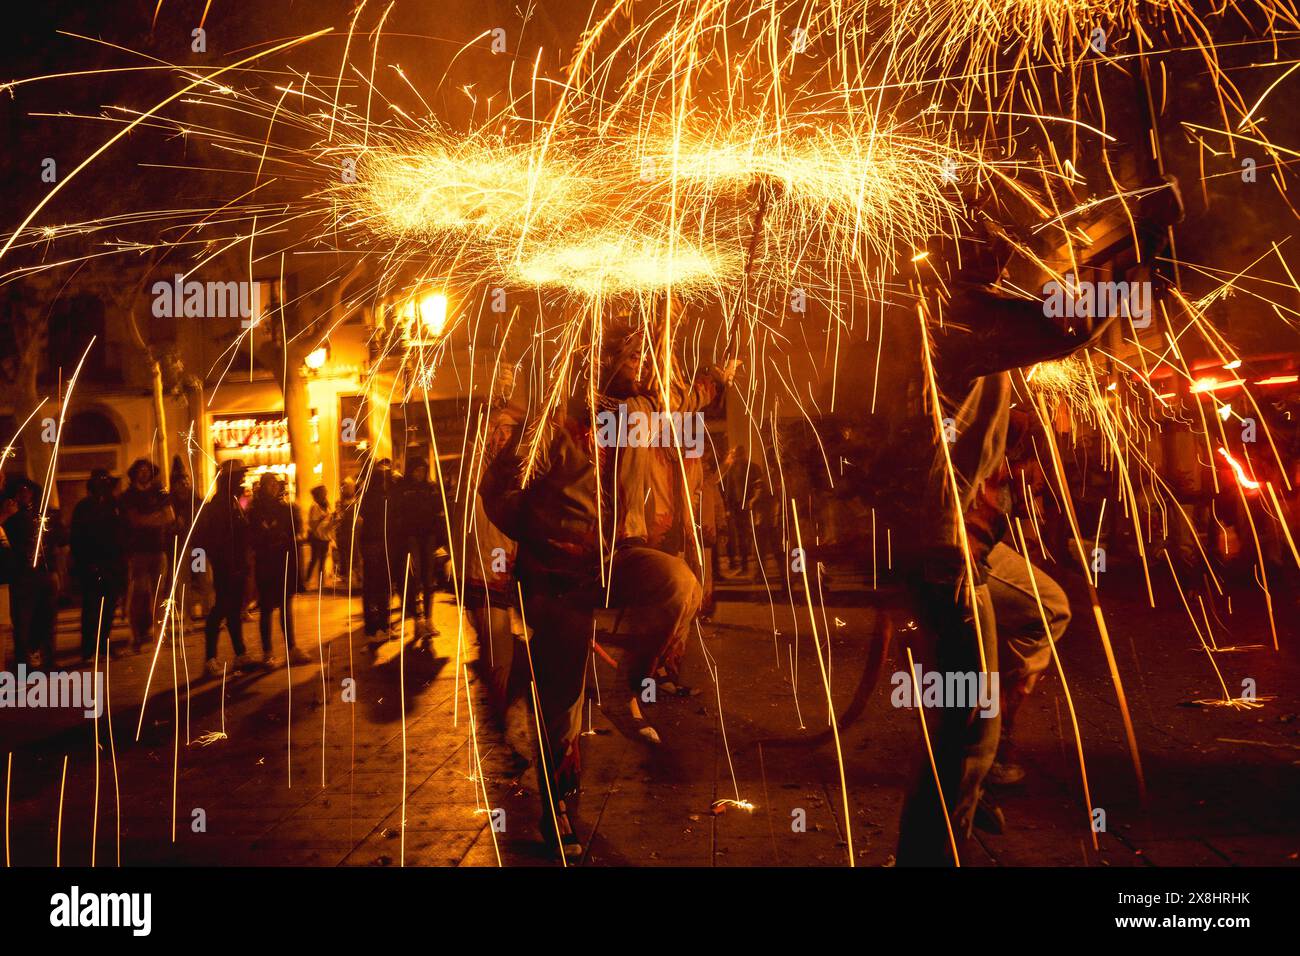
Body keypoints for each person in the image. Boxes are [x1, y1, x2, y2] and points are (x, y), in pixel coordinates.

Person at [480, 314, 737, 859]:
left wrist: (717, 373)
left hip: (615, 557)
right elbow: (499, 494)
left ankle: (629, 683)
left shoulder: (641, 413)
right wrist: (548, 541)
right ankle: (558, 810)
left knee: (679, 584)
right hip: (558, 577)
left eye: (648, 360)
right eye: (635, 358)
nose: (646, 369)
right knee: (562, 706)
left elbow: (688, 401)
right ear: (600, 361)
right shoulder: (553, 425)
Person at [193, 460, 255, 677]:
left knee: (233, 610)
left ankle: (240, 654)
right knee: (220, 609)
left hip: (235, 564)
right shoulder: (218, 506)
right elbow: (207, 539)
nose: (242, 480)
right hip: (225, 565)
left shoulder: (234, 502)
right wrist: (208, 567)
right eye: (238, 477)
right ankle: (210, 659)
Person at [249, 474, 310, 667]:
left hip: (284, 563)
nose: (273, 488)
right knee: (266, 608)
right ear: (263, 487)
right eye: (269, 484)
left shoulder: (286, 509)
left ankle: (292, 648)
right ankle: (268, 653)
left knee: (286, 607)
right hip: (266, 564)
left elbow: (295, 532)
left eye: (275, 484)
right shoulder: (256, 510)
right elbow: (257, 536)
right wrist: (271, 534)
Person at [3, 476, 61, 670]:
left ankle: (48, 659)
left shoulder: (43, 515)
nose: (24, 493)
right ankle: (23, 663)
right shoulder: (10, 519)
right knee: (22, 623)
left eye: (27, 489)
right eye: (20, 490)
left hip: (45, 573)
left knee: (47, 619)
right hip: (22, 576)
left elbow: (57, 541)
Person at [69, 468, 126, 662]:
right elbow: (77, 538)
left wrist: (120, 562)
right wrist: (85, 562)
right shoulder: (84, 507)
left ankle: (103, 645)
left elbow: (122, 535)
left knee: (108, 609)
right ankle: (88, 648)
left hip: (111, 564)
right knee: (91, 608)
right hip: (91, 564)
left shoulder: (114, 505)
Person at [120, 458, 175, 654]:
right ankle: (135, 635)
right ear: (134, 473)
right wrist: (156, 518)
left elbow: (170, 516)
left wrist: (151, 519)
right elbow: (135, 521)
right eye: (141, 470)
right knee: (139, 594)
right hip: (138, 552)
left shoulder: (159, 492)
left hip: (158, 549)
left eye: (147, 470)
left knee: (159, 595)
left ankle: (160, 634)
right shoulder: (129, 495)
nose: (144, 473)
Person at [394, 456, 445, 642]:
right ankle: (418, 620)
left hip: (428, 537)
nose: (420, 473)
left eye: (423, 470)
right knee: (415, 580)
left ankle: (429, 619)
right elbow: (398, 513)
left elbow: (439, 511)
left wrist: (440, 539)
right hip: (411, 538)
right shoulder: (404, 489)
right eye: (417, 470)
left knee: (429, 580)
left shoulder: (431, 488)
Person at [358, 459, 397, 642]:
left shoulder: (384, 491)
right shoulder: (372, 494)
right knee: (374, 586)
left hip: (383, 541)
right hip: (374, 542)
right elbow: (367, 517)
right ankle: (373, 628)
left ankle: (382, 624)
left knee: (383, 585)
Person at [303, 484, 334, 591]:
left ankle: (321, 584)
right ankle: (306, 582)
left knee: (322, 560)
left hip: (325, 536)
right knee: (314, 559)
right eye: (324, 491)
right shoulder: (315, 506)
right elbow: (313, 523)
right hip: (317, 537)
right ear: (319, 493)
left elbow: (329, 518)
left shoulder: (326, 504)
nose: (326, 493)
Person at [333, 478, 359, 587]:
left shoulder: (356, 501)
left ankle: (353, 575)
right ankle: (348, 575)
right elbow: (339, 517)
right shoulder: (340, 502)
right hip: (344, 533)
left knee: (353, 555)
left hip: (353, 532)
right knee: (345, 555)